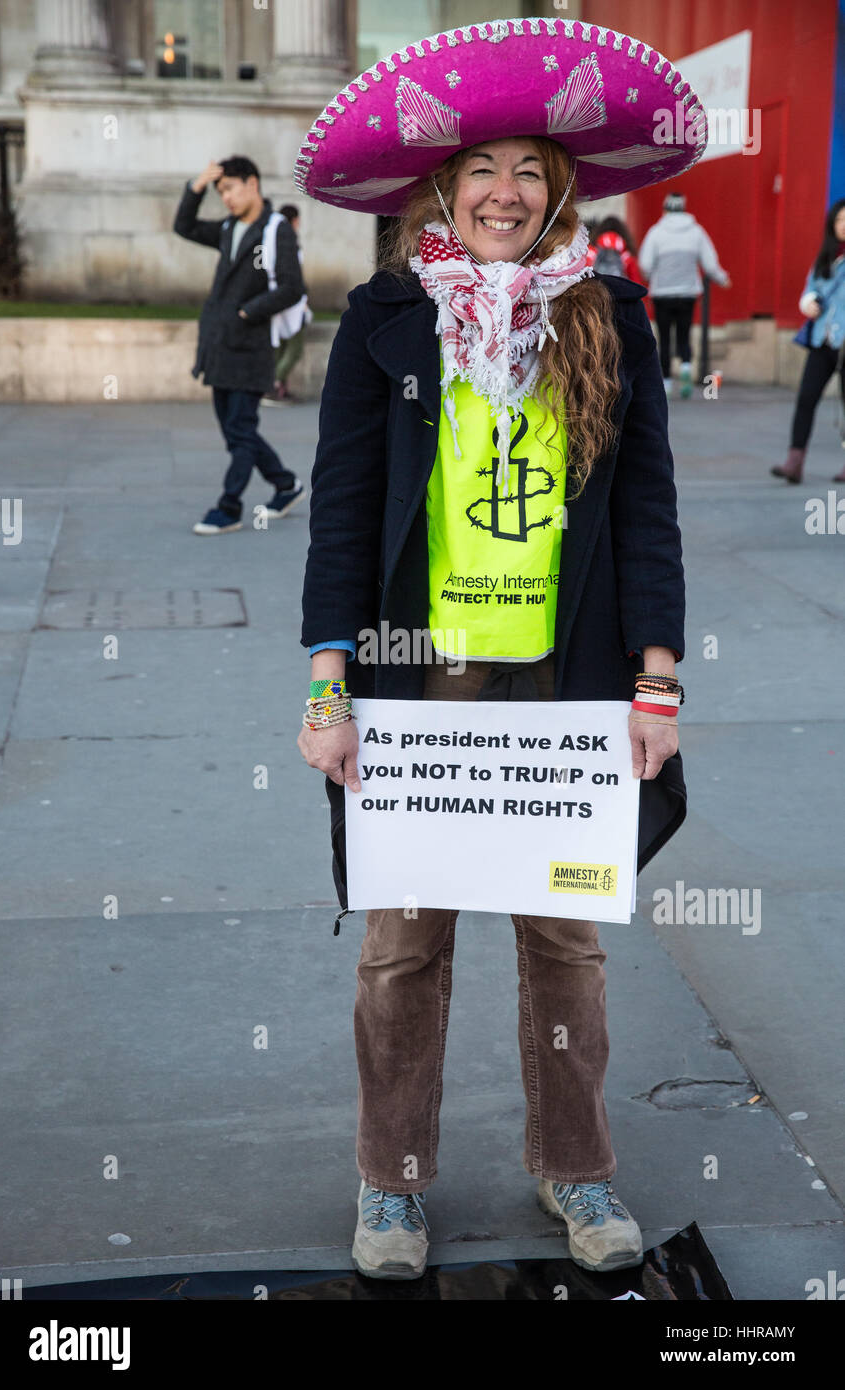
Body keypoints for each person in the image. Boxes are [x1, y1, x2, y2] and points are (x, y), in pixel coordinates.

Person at [296, 16, 696, 1281]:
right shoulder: (385, 322)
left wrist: (654, 677)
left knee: (561, 942)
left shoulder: (608, 318)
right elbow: (344, 514)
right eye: (480, 170)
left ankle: (573, 1171)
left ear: (558, 188)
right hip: (422, 674)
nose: (504, 192)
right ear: (440, 188)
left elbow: (645, 512)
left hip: (565, 676)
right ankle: (393, 1186)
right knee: (402, 942)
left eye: (528, 170)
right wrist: (326, 683)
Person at [173, 155, 307, 534]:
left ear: (253, 183)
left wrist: (249, 312)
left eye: (230, 188)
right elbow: (183, 226)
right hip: (219, 345)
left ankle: (229, 506)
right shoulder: (229, 226)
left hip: (251, 347)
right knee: (236, 430)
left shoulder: (276, 229)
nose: (226, 198)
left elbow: (293, 287)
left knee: (241, 429)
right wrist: (196, 187)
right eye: (221, 192)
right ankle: (286, 484)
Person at [771, 198, 845, 484]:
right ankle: (795, 461)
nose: (843, 226)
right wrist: (809, 302)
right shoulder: (825, 256)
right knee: (806, 399)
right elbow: (809, 289)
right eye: (839, 220)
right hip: (821, 340)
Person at [638, 191, 730, 399]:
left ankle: (667, 382)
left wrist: (652, 275)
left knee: (664, 338)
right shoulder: (696, 232)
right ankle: (687, 366)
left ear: (665, 208)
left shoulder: (656, 232)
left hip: (662, 294)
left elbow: (645, 264)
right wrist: (723, 279)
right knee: (684, 333)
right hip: (688, 293)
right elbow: (709, 262)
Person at [266, 204, 313, 404]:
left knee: (281, 346)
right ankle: (272, 384)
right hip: (290, 301)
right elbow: (295, 278)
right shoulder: (289, 242)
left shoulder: (274, 242)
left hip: (277, 299)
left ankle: (279, 388)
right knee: (294, 348)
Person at [585, 217, 644, 285]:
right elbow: (635, 282)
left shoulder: (591, 250)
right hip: (621, 290)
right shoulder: (626, 253)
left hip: (597, 289)